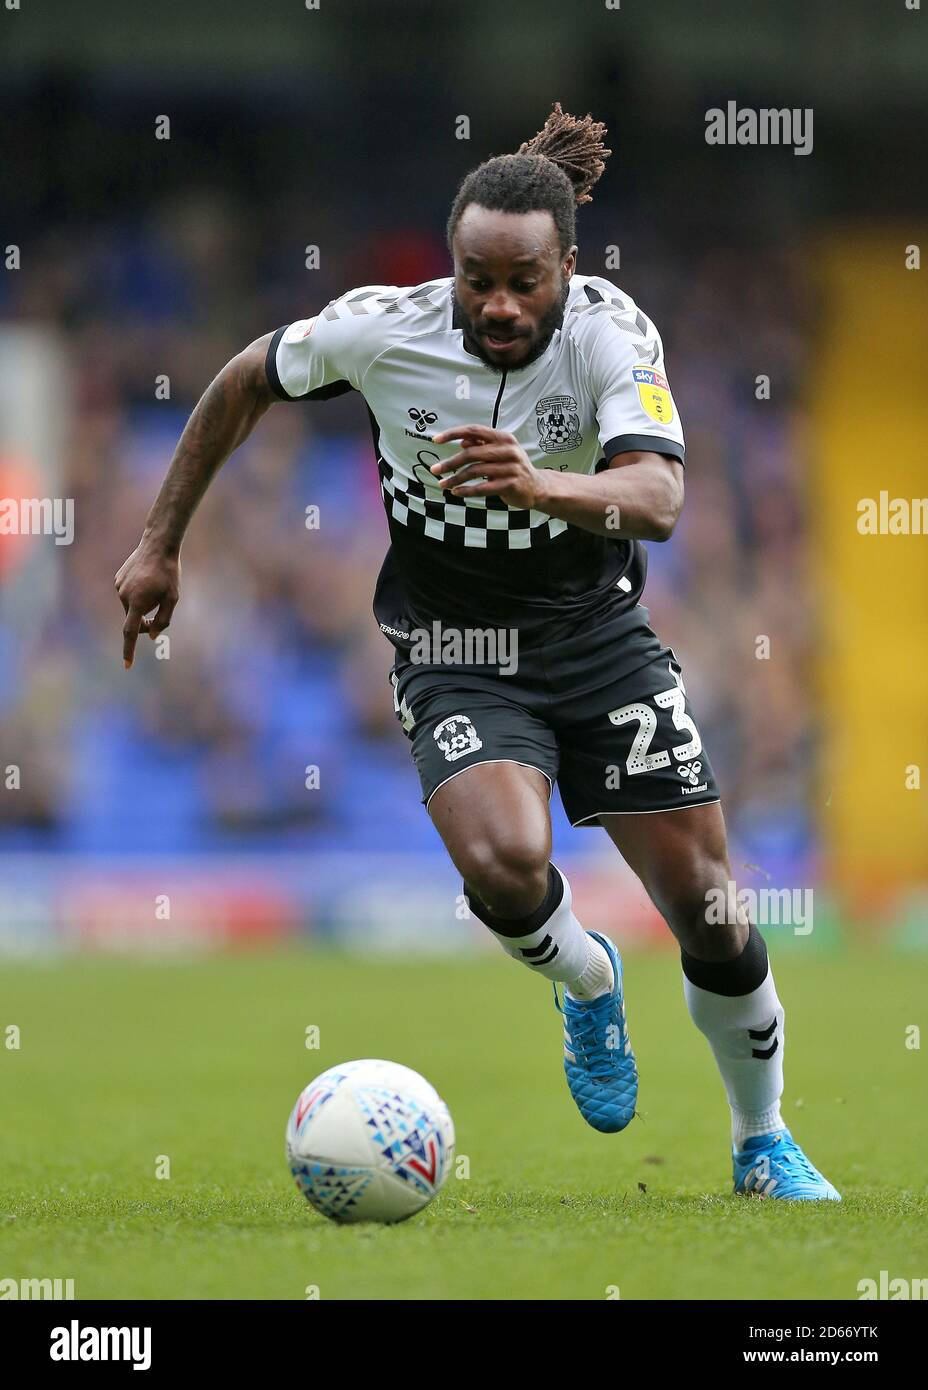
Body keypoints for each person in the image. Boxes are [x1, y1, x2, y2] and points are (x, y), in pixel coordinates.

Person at [116, 103, 839, 1201]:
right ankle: (587, 983)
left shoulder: (612, 334)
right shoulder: (381, 328)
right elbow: (243, 379)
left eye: (524, 283)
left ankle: (761, 1139)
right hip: (454, 646)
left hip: (598, 640)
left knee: (711, 908)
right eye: (476, 279)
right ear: (452, 267)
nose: (498, 306)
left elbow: (657, 495)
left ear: (566, 268)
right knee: (504, 864)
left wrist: (539, 481)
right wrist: (159, 543)